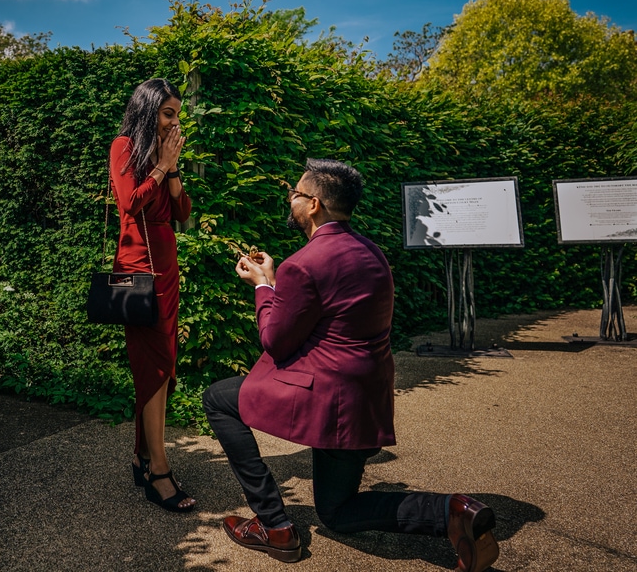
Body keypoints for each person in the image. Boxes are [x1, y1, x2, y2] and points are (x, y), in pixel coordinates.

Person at [202, 159, 500, 570]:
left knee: (218, 399)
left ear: (314, 204)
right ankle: (451, 511)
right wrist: (274, 280)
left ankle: (274, 525)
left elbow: (275, 341)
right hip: (365, 398)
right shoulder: (371, 252)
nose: (290, 199)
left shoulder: (302, 263)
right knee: (337, 512)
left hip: (324, 397)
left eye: (295, 193)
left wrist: (264, 286)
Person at [109, 78, 195, 512]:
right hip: (138, 270)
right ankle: (158, 470)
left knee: (164, 367)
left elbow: (182, 212)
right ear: (147, 111)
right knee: (152, 366)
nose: (174, 121)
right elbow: (130, 203)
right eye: (167, 113)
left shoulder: (165, 153)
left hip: (168, 269)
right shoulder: (124, 146)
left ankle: (143, 456)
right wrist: (161, 165)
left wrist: (172, 168)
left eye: (177, 114)